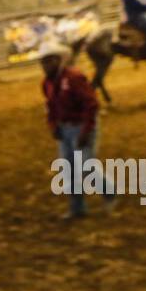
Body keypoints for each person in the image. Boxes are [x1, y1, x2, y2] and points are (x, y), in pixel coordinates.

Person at [39, 40, 114, 221]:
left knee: (86, 167)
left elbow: (91, 104)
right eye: (43, 61)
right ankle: (77, 208)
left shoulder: (73, 77)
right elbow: (50, 106)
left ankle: (109, 191)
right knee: (68, 170)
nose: (46, 65)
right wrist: (53, 125)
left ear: (59, 60)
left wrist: (86, 130)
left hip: (81, 125)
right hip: (64, 128)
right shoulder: (47, 83)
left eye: (49, 60)